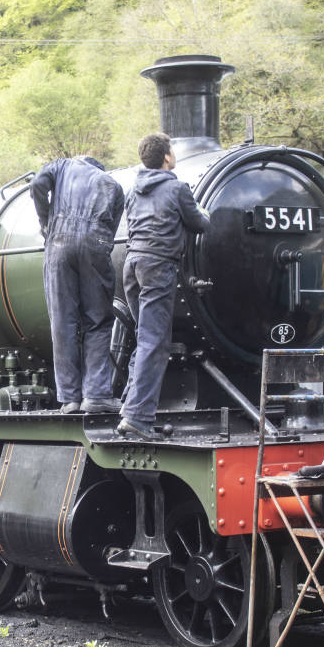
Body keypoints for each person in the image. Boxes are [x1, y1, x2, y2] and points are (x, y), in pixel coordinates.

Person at [118, 133, 210, 439]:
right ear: (167, 158)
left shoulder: (133, 190)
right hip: (158, 266)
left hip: (132, 265)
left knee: (145, 336)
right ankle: (138, 417)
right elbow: (200, 223)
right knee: (154, 341)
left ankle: (129, 407)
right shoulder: (176, 187)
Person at [30, 155, 125, 414]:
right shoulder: (113, 186)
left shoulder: (62, 166)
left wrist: (46, 222)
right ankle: (96, 395)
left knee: (62, 322)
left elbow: (38, 184)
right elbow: (112, 231)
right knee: (99, 320)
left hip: (58, 244)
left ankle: (70, 398)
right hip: (97, 245)